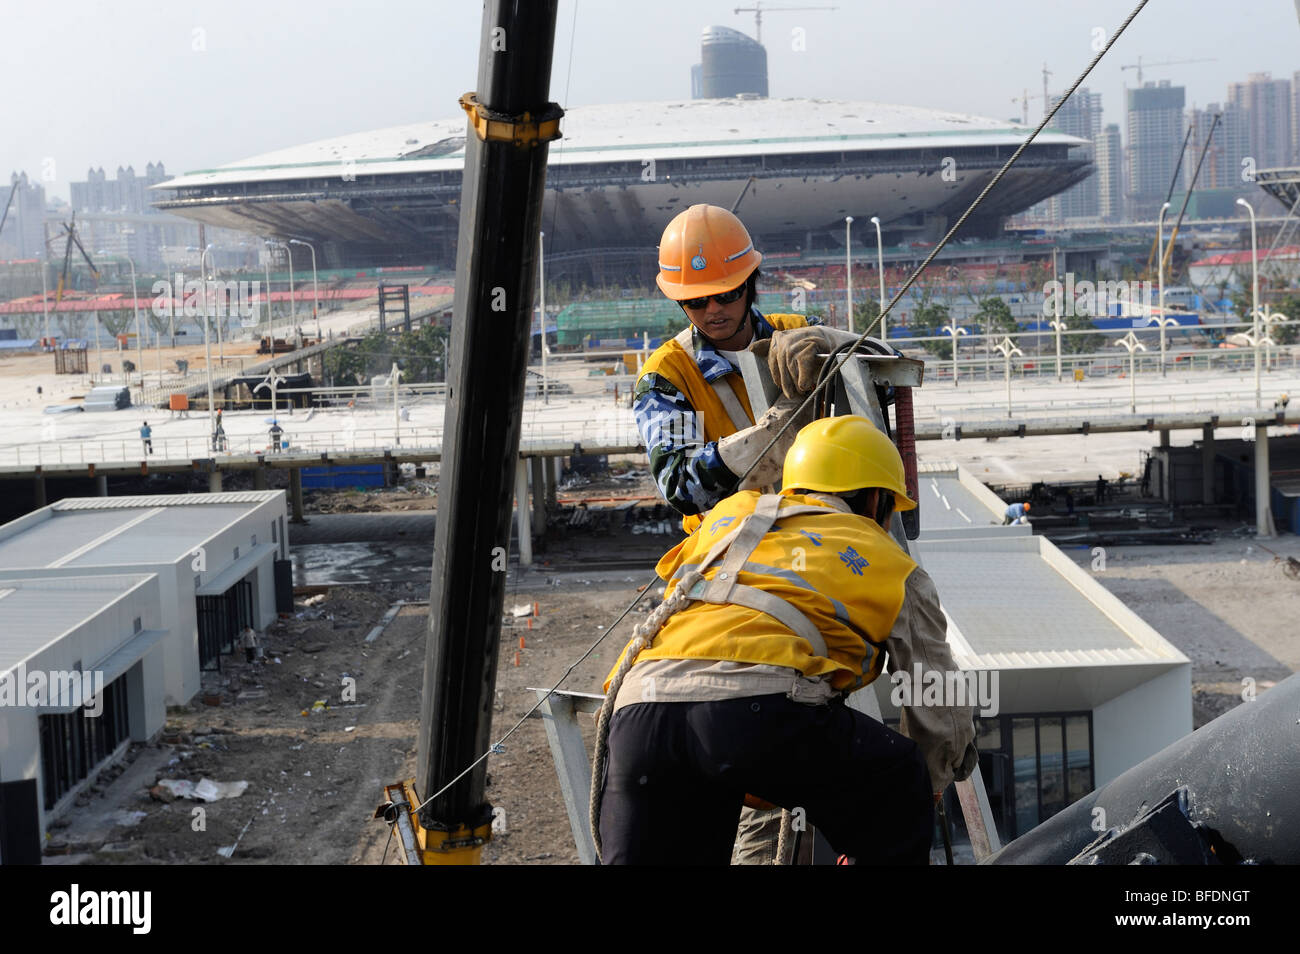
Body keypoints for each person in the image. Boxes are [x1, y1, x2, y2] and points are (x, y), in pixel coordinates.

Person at [597, 416, 977, 865]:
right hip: (752, 716)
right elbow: (939, 701)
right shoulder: (892, 565)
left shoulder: (730, 515)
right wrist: (927, 784)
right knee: (898, 777)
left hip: (639, 718)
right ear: (876, 501)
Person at [634, 204, 860, 518]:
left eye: (726, 294)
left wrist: (836, 345)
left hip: (824, 524)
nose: (712, 309)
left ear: (749, 284)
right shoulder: (668, 376)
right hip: (731, 545)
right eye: (696, 301)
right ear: (679, 301)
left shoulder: (804, 334)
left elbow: (890, 383)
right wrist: (769, 437)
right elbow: (681, 487)